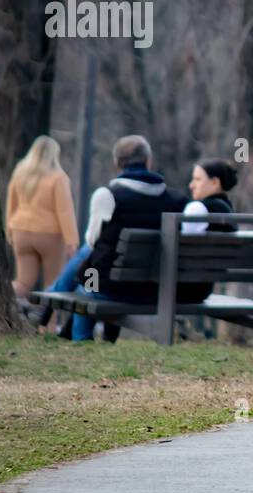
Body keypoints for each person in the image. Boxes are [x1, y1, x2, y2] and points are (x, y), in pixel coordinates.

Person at [45, 135, 188, 341]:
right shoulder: (177, 200)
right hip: (155, 289)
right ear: (149, 162)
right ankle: (54, 297)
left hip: (110, 287)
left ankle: (77, 334)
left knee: (85, 284)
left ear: (117, 163)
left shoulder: (108, 195)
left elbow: (93, 241)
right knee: (89, 272)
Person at [5, 136, 79, 317]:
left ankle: (0, 303)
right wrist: (71, 241)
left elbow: (11, 204)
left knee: (23, 283)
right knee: (53, 285)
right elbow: (64, 212)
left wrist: (9, 231)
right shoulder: (58, 177)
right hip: (49, 235)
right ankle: (49, 327)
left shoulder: (19, 173)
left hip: (21, 231)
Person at [178, 158, 239, 304]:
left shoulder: (197, 209)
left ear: (215, 182)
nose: (191, 185)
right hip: (204, 289)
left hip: (181, 287)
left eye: (197, 179)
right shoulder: (228, 211)